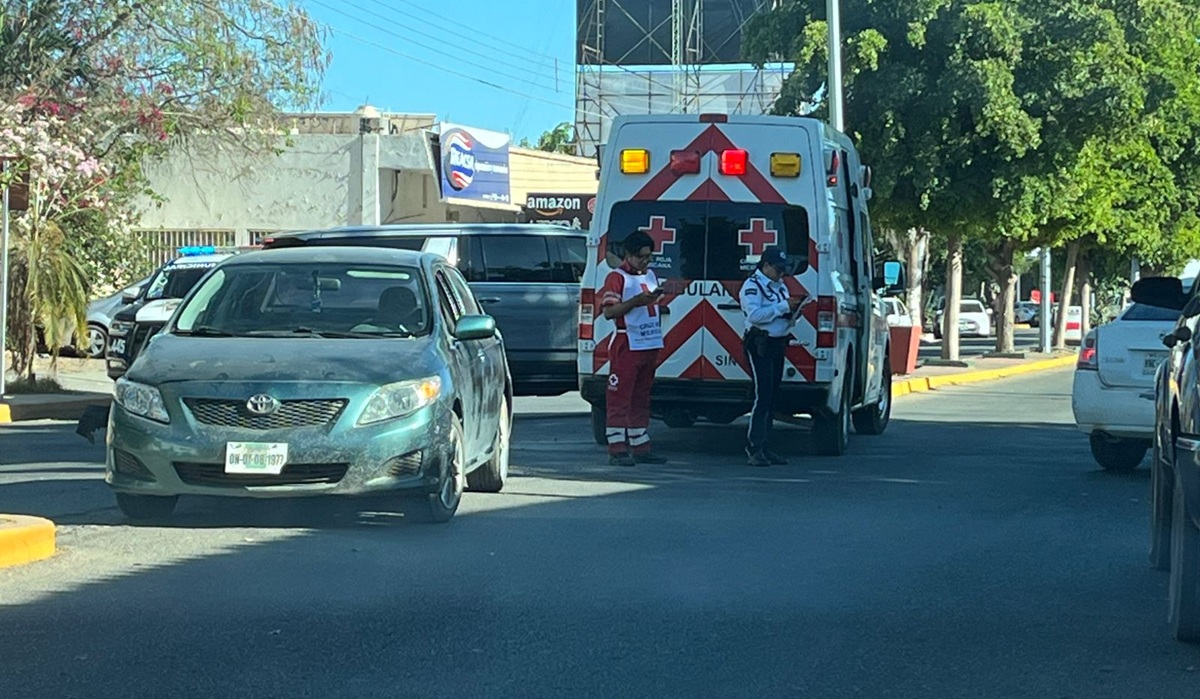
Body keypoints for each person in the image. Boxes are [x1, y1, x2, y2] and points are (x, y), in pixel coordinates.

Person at [600, 230, 668, 467]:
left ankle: (641, 446)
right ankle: (616, 448)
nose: (646, 261)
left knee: (641, 397)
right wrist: (636, 302)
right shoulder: (616, 278)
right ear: (628, 255)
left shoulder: (650, 275)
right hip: (627, 342)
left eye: (650, 257)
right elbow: (609, 312)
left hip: (649, 344)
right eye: (642, 257)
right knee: (620, 397)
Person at [740, 246, 806, 467]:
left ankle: (766, 447)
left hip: (778, 342)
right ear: (765, 265)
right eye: (777, 269)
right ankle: (754, 447)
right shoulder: (752, 286)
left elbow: (780, 312)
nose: (781, 274)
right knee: (763, 396)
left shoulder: (780, 286)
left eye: (783, 270)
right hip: (761, 344)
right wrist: (782, 307)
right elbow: (755, 315)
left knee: (772, 397)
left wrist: (793, 313)